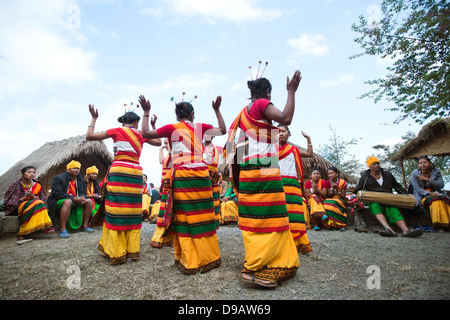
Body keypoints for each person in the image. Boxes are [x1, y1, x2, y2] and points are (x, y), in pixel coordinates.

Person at [227, 69, 302, 287]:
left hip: (249, 170)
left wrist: (240, 179)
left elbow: (236, 149)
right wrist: (292, 92)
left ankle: (269, 261)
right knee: (271, 215)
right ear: (267, 92)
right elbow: (286, 118)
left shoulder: (242, 114)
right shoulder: (261, 104)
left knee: (256, 217)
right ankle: (256, 268)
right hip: (265, 167)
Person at [140, 93, 226, 274]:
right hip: (201, 176)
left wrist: (146, 112)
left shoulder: (172, 127)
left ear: (177, 115)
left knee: (184, 216)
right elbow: (223, 130)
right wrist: (217, 110)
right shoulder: (201, 127)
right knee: (203, 214)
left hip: (182, 176)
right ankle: (209, 257)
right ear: (193, 114)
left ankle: (189, 258)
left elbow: (146, 134)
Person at [86, 104, 161, 264]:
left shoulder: (116, 131)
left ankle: (116, 251)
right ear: (135, 122)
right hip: (135, 174)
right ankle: (131, 252)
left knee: (116, 210)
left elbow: (89, 136)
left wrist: (94, 118)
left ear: (124, 122)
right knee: (132, 211)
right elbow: (158, 142)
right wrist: (153, 125)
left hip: (119, 171)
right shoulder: (141, 134)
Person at [350, 156, 423, 238]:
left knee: (393, 209)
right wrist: (354, 190)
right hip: (374, 199)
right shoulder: (365, 177)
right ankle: (388, 229)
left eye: (378, 163)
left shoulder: (387, 174)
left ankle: (406, 230)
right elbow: (360, 189)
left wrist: (408, 195)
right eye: (374, 164)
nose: (377, 165)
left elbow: (397, 186)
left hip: (389, 198)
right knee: (375, 207)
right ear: (369, 166)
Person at [278, 125, 313, 254]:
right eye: (278, 132)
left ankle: (296, 242)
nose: (280, 133)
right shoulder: (271, 150)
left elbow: (309, 154)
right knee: (279, 214)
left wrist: (308, 139)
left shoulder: (294, 150)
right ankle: (281, 244)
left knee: (294, 214)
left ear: (289, 134)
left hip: (292, 185)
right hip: (277, 185)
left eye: (283, 131)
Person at [4, 166, 54, 239]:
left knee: (39, 203)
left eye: (34, 172)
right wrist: (23, 198)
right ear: (23, 174)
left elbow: (42, 198)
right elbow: (8, 200)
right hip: (17, 206)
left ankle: (24, 232)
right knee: (38, 203)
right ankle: (46, 227)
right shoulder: (16, 185)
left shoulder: (37, 184)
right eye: (29, 172)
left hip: (34, 203)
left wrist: (32, 196)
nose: (32, 174)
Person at [47, 160, 94, 238]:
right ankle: (63, 229)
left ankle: (85, 226)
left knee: (89, 201)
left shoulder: (79, 179)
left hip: (75, 199)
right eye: (74, 168)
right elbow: (57, 193)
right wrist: (73, 198)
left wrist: (82, 196)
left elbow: (82, 191)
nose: (76, 170)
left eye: (78, 168)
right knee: (68, 201)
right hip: (58, 200)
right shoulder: (59, 178)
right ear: (68, 169)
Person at [410, 155, 450, 232]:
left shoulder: (436, 172)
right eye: (421, 163)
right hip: (423, 196)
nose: (423, 164)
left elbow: (441, 185)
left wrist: (427, 179)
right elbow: (417, 189)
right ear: (419, 165)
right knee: (436, 201)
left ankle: (447, 223)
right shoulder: (415, 174)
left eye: (425, 162)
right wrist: (429, 194)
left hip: (437, 193)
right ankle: (439, 225)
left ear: (430, 163)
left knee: (444, 200)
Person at [203, 133, 223, 229]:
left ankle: (212, 231)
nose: (206, 134)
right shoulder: (197, 149)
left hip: (213, 181)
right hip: (200, 180)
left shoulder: (218, 150)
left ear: (213, 135)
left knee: (213, 205)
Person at [322, 167, 348, 231]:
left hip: (340, 199)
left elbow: (343, 196)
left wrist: (337, 189)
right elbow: (329, 195)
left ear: (337, 173)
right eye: (329, 174)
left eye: (332, 173)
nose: (330, 175)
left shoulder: (343, 182)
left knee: (331, 203)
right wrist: (333, 189)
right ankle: (331, 224)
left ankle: (341, 224)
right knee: (325, 203)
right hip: (331, 199)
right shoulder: (327, 182)